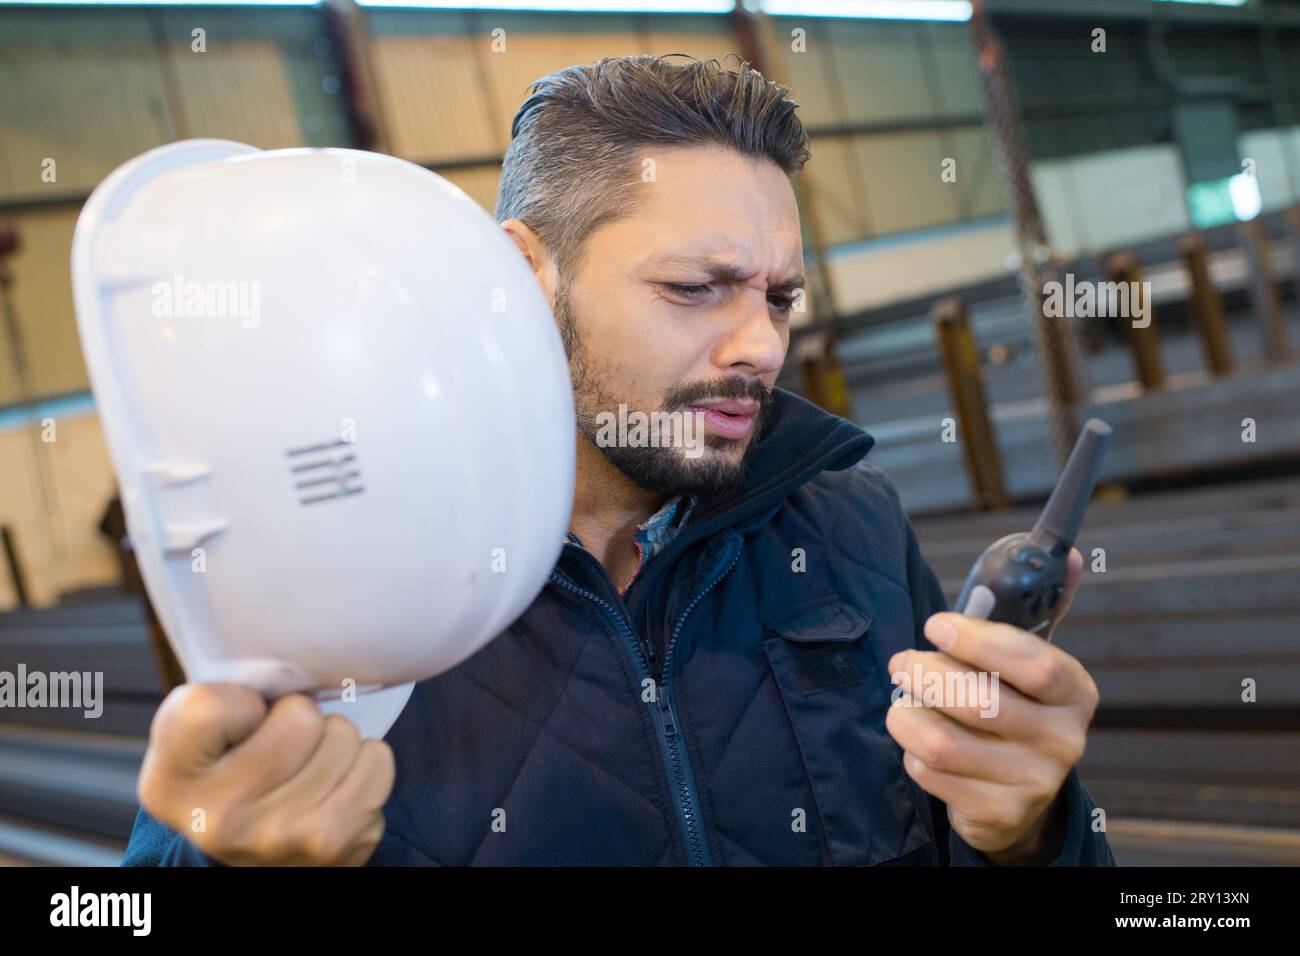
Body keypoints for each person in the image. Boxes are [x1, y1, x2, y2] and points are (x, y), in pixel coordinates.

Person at [123, 54, 1113, 867]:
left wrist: (1025, 831)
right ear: (520, 277)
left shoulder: (851, 524)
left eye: (777, 297)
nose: (760, 347)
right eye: (695, 286)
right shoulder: (338, 580)